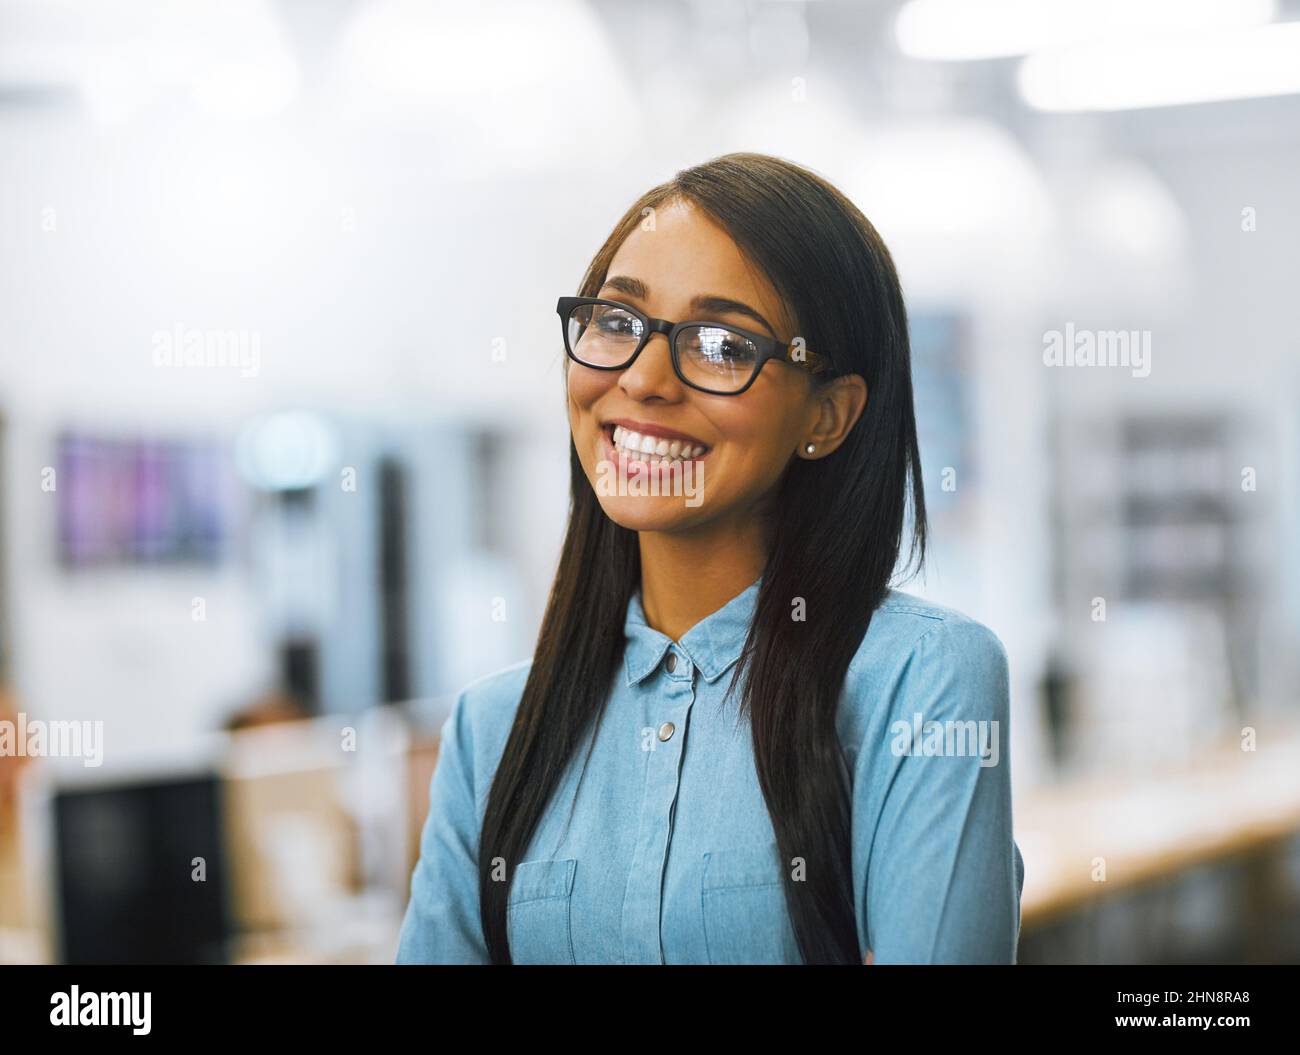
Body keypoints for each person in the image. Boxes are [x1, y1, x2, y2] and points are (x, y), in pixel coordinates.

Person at [397, 152, 1023, 964]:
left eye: (723, 344)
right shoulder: (492, 729)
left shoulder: (926, 679)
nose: (645, 378)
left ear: (828, 415)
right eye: (616, 323)